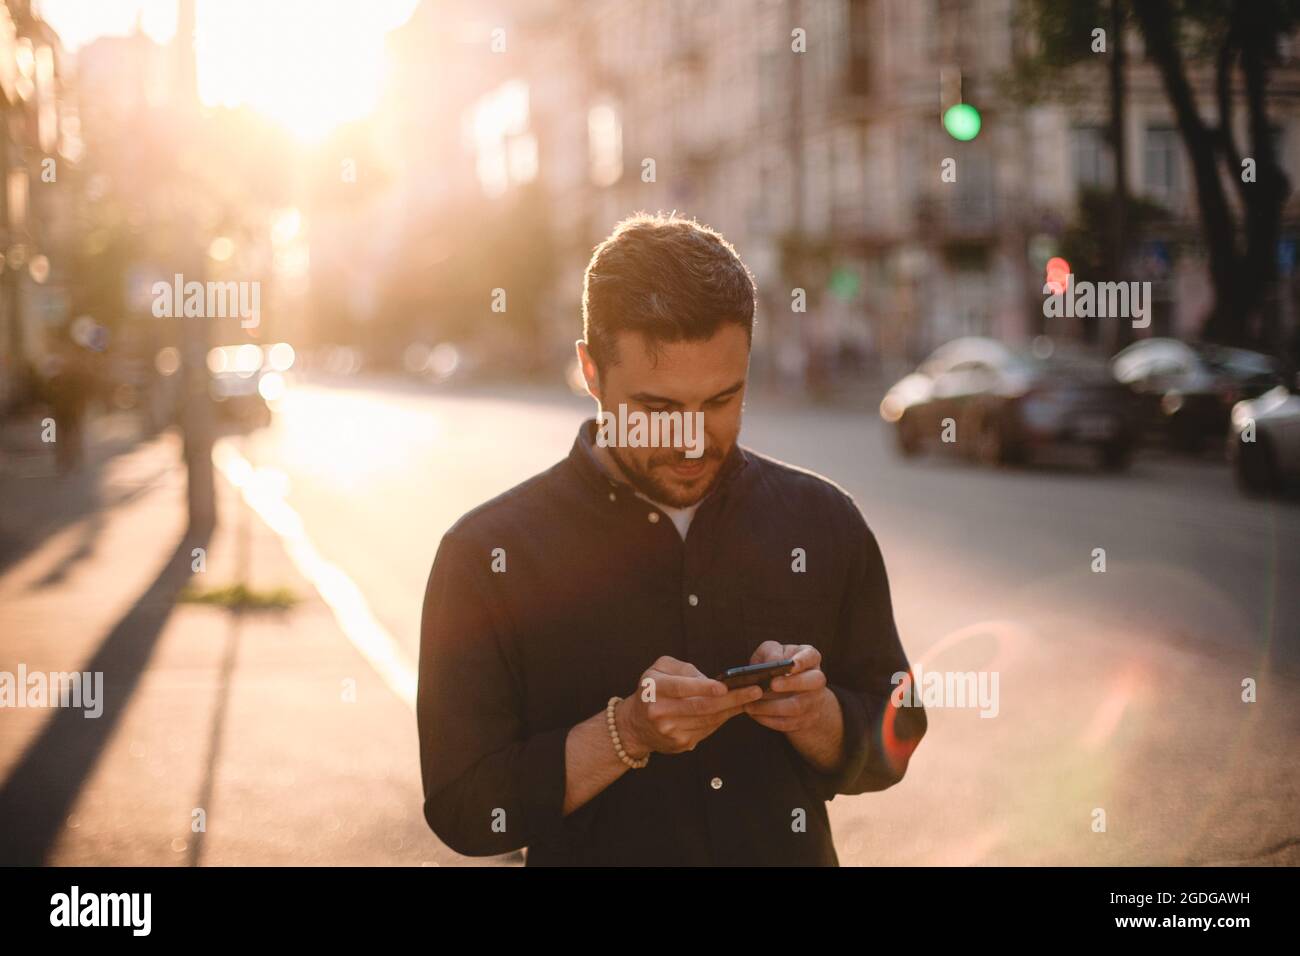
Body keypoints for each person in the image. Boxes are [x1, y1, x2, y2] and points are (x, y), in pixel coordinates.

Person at [417, 212, 926, 865]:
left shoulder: (826, 521)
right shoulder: (486, 556)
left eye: (721, 401)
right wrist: (623, 733)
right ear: (591, 373)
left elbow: (900, 733)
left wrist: (821, 719)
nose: (692, 440)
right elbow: (465, 810)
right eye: (658, 409)